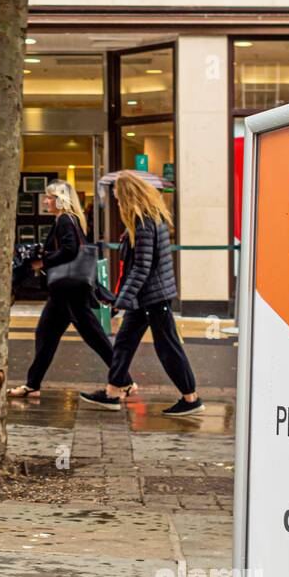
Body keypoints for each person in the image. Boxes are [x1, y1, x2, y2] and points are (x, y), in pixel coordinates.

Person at [80, 171, 203, 416]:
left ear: (127, 195)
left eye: (117, 197)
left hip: (154, 298)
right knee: (124, 343)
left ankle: (191, 398)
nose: (115, 201)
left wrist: (123, 300)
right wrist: (123, 298)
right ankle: (113, 392)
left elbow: (142, 267)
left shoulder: (144, 222)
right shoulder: (144, 220)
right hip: (144, 298)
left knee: (167, 347)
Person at [8, 180, 113, 398]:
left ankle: (124, 380)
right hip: (66, 291)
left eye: (49, 197)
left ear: (60, 199)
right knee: (46, 335)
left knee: (94, 337)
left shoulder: (65, 219)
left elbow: (69, 250)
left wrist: (43, 262)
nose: (45, 201)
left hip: (69, 291)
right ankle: (32, 384)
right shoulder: (68, 219)